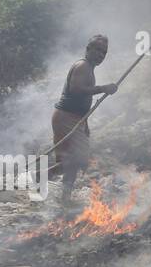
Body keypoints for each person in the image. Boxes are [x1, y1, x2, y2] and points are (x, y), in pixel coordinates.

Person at [50, 34, 117, 211]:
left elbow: (83, 101)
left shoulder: (89, 68)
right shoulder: (82, 66)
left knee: (74, 160)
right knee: (76, 159)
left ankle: (63, 195)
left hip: (75, 119)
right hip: (65, 117)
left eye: (104, 52)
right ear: (88, 49)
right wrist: (103, 88)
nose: (101, 55)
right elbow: (76, 89)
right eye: (98, 50)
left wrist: (84, 124)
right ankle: (43, 180)